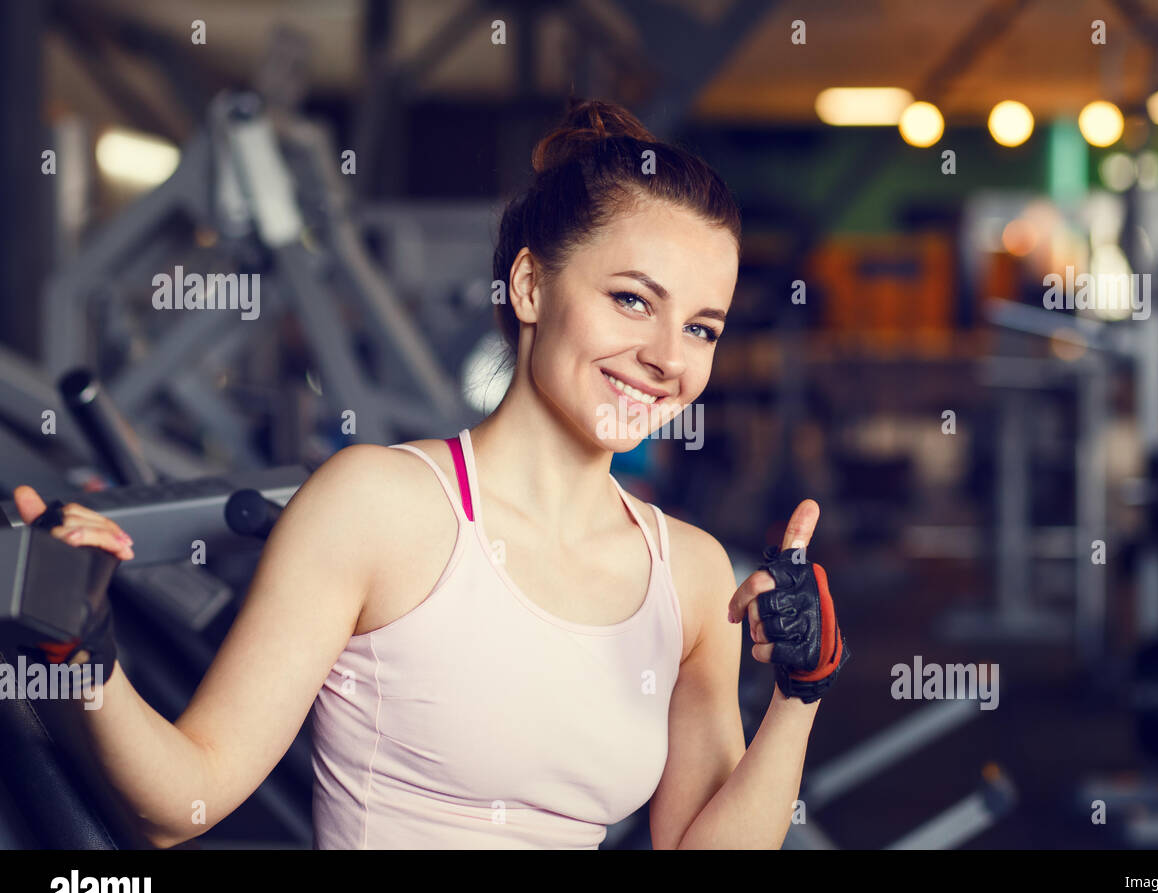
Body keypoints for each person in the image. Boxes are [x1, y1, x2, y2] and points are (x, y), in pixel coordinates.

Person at [11, 98, 848, 849]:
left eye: (702, 328)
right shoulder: (378, 506)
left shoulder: (692, 573)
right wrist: (77, 650)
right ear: (530, 285)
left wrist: (799, 694)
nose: (668, 357)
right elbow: (178, 804)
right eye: (633, 300)